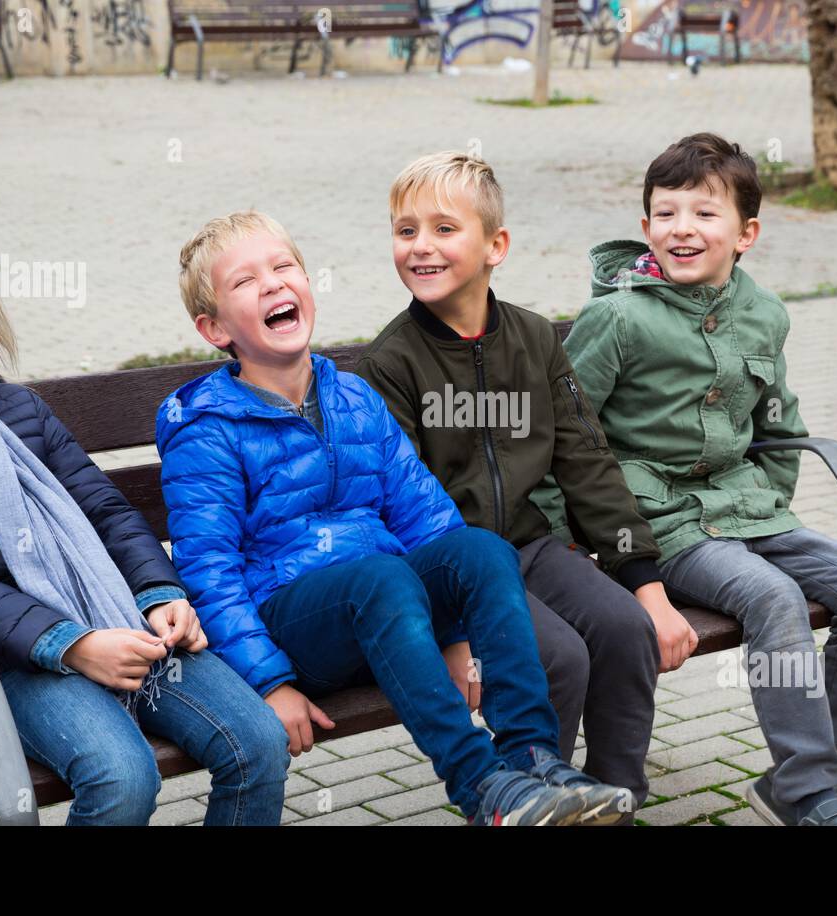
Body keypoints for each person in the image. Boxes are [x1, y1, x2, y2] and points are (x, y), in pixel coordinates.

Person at [156, 210, 632, 824]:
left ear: (307, 283)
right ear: (215, 327)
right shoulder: (208, 428)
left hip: (390, 607)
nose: (273, 283)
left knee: (481, 549)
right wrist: (271, 684)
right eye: (245, 281)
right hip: (295, 625)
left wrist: (455, 637)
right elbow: (208, 570)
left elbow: (426, 518)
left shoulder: (353, 397)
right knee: (380, 577)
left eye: (283, 267)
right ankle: (482, 786)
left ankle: (534, 760)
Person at [0, 230, 290, 825]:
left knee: (258, 742)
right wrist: (70, 644)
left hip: (115, 619)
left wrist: (160, 593)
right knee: (122, 777)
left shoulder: (16, 410)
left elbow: (105, 510)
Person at [565, 134, 837, 826]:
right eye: (666, 214)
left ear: (746, 234)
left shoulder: (763, 313)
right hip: (661, 523)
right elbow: (564, 432)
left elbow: (780, 421)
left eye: (704, 213)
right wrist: (571, 539)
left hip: (751, 509)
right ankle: (813, 797)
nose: (682, 229)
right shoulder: (617, 318)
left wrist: (772, 500)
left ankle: (796, 780)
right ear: (645, 227)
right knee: (773, 596)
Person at [355, 151, 697, 817]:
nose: (421, 246)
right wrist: (451, 632)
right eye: (405, 231)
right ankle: (527, 807)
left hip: (532, 547)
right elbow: (390, 509)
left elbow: (588, 463)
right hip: (455, 572)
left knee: (627, 629)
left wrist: (647, 585)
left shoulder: (535, 339)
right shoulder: (389, 365)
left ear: (496, 246)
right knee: (558, 657)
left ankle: (614, 802)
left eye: (444, 229)